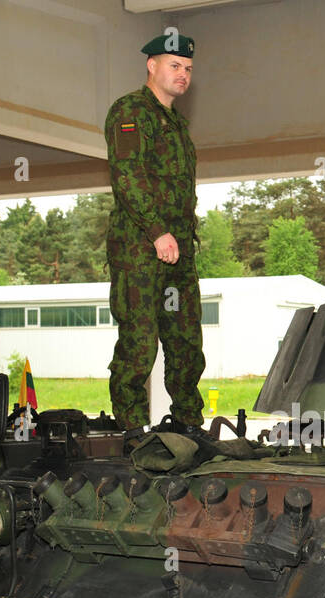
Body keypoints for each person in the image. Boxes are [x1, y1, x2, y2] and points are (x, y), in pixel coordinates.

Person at [103, 33, 204, 436]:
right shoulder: (130, 111)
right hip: (140, 251)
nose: (183, 74)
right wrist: (158, 231)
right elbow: (127, 176)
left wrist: (178, 237)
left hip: (178, 254)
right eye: (175, 65)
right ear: (152, 65)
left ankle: (187, 424)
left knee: (185, 340)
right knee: (140, 342)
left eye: (189, 68)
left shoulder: (177, 123)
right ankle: (130, 429)